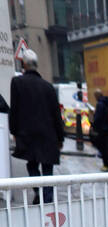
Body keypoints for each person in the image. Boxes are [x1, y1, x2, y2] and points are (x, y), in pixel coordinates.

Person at [8, 48, 65, 203]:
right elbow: (56, 115)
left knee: (32, 165)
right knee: (48, 169)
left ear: (23, 65)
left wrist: (14, 131)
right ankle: (46, 198)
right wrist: (60, 138)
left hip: (28, 136)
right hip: (48, 137)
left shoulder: (17, 83)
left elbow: (15, 109)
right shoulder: (48, 87)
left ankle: (39, 192)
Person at [91, 92, 108, 171]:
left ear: (97, 96)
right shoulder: (105, 103)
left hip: (102, 129)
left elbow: (98, 117)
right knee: (104, 147)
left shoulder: (100, 104)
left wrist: (93, 125)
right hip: (106, 128)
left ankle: (107, 165)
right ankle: (107, 164)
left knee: (102, 146)